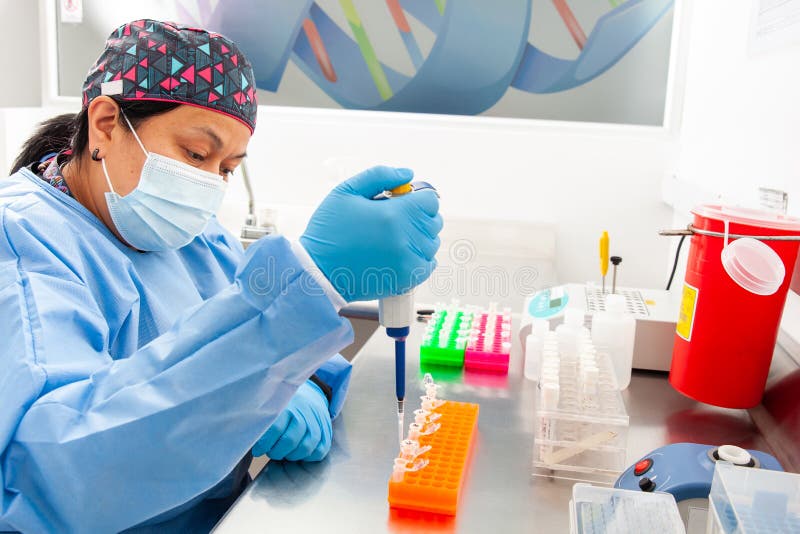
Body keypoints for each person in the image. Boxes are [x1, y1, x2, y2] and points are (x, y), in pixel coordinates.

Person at [0, 20, 441, 533]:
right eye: (195, 154)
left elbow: (278, 340)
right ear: (105, 124)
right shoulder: (24, 243)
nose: (208, 184)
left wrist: (298, 388)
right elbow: (58, 472)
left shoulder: (193, 234)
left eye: (227, 168)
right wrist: (308, 279)